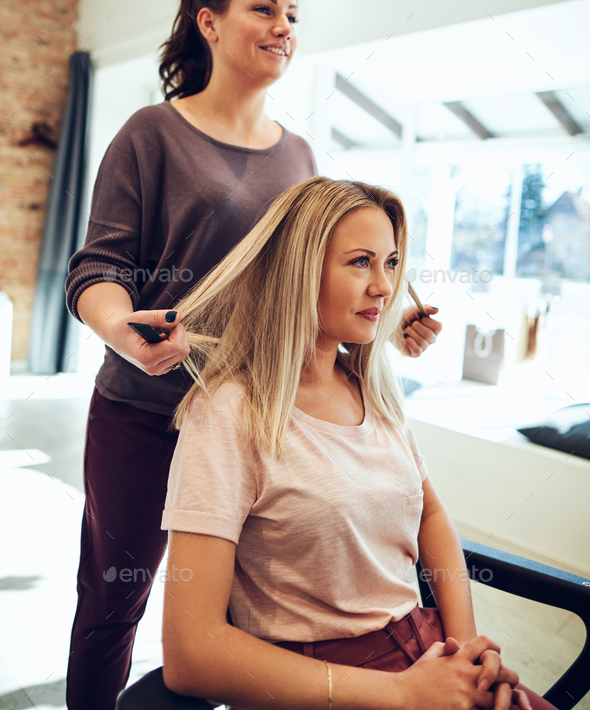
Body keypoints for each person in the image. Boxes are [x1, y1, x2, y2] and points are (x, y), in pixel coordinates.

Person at [64, 0, 441, 710]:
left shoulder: (298, 154)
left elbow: (314, 263)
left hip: (250, 418)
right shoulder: (152, 132)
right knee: (117, 600)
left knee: (246, 618)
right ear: (209, 21)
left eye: (293, 15)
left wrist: (395, 313)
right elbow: (96, 270)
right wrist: (121, 329)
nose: (284, 27)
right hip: (146, 412)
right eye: (265, 8)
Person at [156, 176, 557, 710]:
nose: (385, 287)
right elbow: (191, 654)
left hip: (425, 648)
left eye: (391, 263)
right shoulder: (229, 413)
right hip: (325, 681)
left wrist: (463, 652)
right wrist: (403, 693)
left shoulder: (372, 388)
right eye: (361, 262)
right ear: (300, 271)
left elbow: (431, 515)